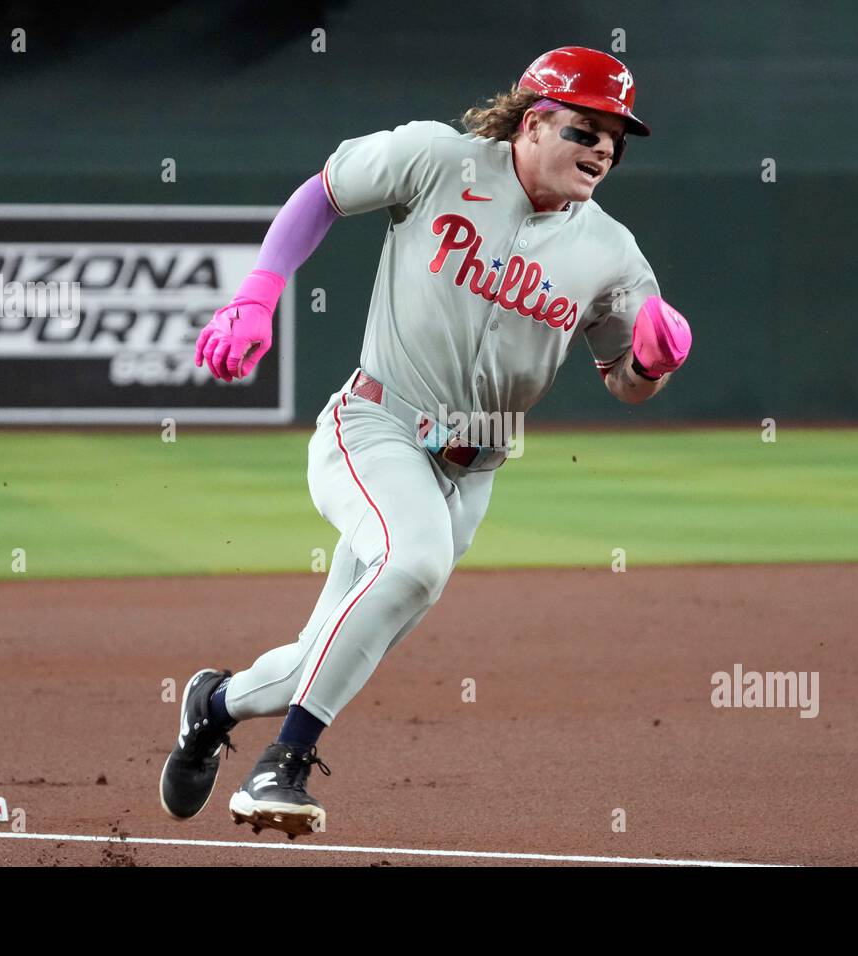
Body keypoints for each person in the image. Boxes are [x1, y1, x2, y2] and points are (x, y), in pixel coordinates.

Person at [159, 46, 693, 838]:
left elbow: (623, 378)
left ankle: (212, 705)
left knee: (324, 653)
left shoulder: (611, 251)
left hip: (477, 467)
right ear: (534, 119)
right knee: (415, 562)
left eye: (617, 139)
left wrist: (651, 364)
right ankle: (285, 764)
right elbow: (325, 192)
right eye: (587, 129)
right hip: (376, 424)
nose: (604, 150)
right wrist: (256, 296)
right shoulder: (437, 159)